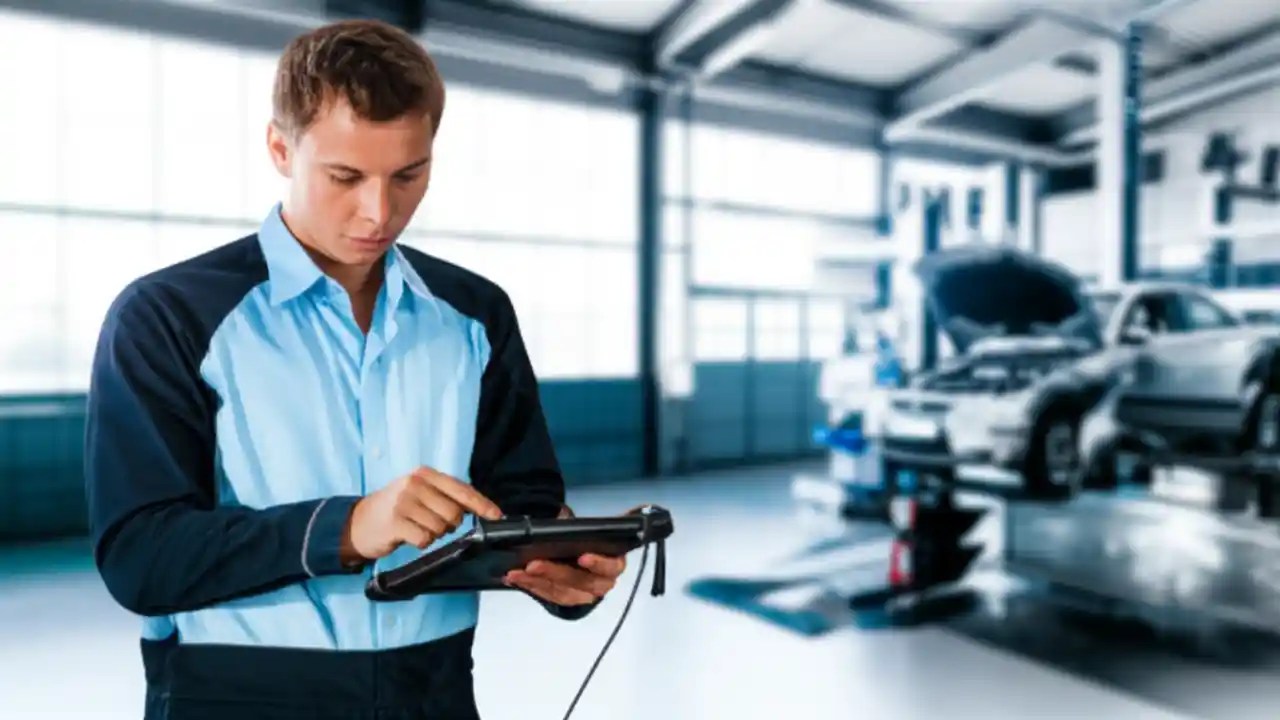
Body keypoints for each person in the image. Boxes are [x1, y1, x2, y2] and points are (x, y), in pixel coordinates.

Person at [85, 18, 626, 720]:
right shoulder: (167, 316)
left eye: (410, 174)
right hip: (237, 694)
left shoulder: (475, 314)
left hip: (433, 690)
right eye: (346, 176)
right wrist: (347, 528)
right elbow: (139, 557)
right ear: (281, 148)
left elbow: (521, 499)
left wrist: (560, 567)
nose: (380, 211)